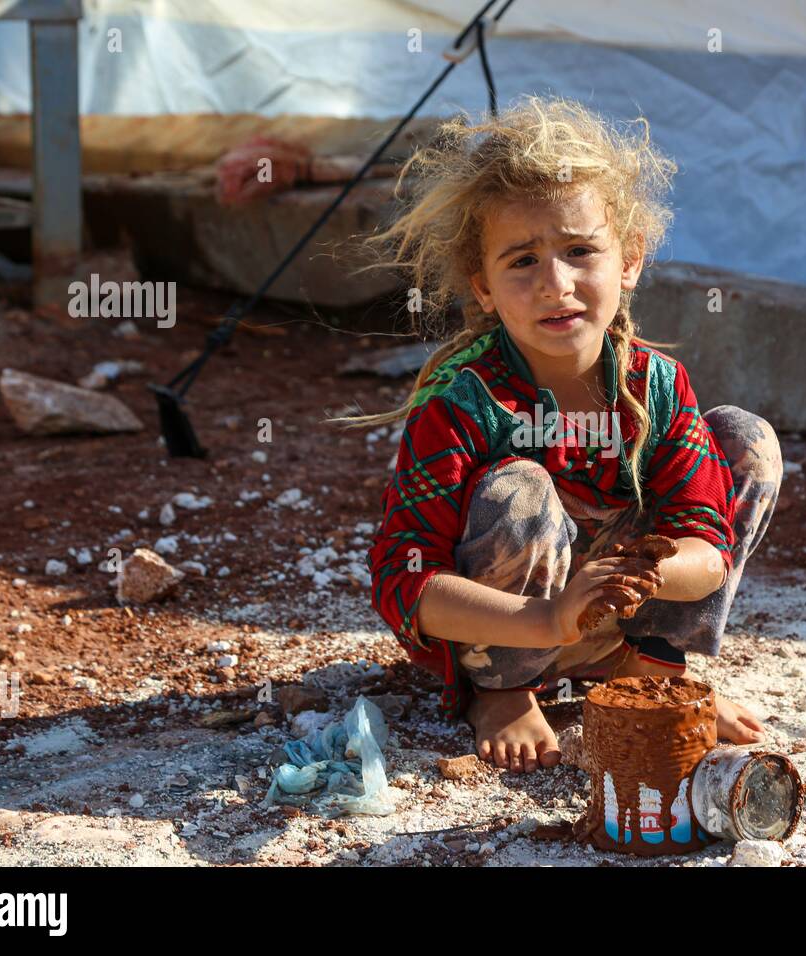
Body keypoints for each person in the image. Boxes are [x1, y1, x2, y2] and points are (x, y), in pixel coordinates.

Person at [336, 95, 783, 772]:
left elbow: (708, 547)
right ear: (481, 286)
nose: (556, 284)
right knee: (521, 487)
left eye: (580, 250)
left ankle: (648, 663)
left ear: (628, 260)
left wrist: (635, 575)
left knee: (745, 439)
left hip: (613, 606)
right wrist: (543, 621)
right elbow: (404, 579)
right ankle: (504, 687)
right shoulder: (463, 400)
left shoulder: (656, 387)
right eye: (522, 261)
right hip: (510, 626)